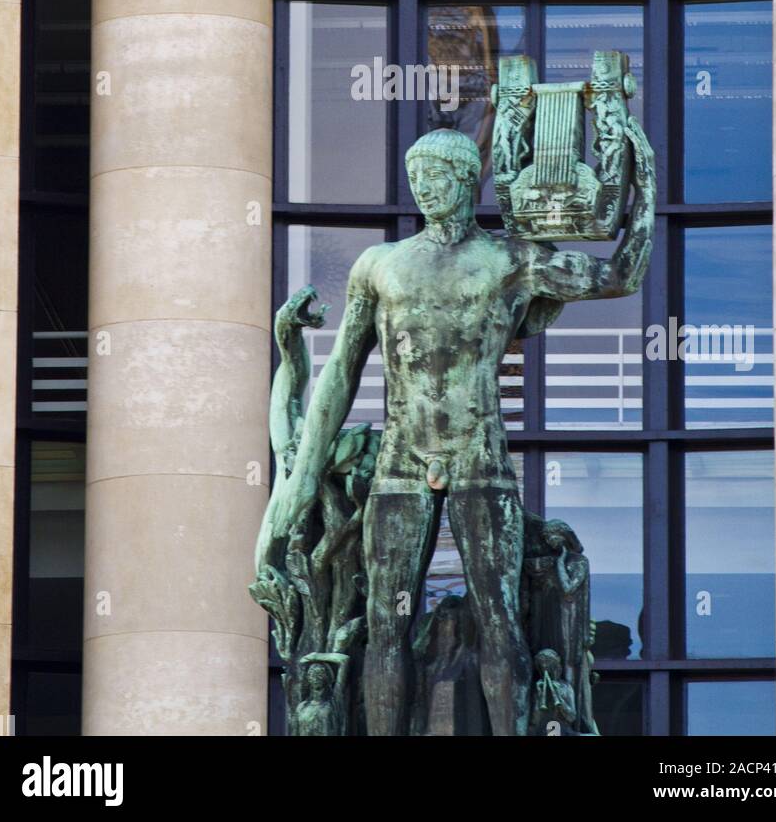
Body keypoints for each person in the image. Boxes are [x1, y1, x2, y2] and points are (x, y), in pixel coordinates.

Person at [257, 121, 654, 736]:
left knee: (499, 617)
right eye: (416, 178)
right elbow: (340, 371)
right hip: (402, 458)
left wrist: (644, 186)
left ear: (467, 180)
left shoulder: (508, 260)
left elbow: (618, 277)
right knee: (387, 620)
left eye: (436, 176)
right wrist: (305, 474)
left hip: (478, 457)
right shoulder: (380, 266)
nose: (424, 189)